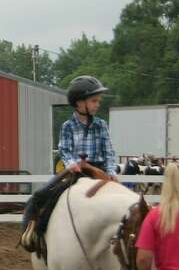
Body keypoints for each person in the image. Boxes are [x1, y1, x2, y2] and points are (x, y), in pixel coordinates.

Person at [20, 75, 118, 250]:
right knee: (40, 196)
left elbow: (109, 151)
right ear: (79, 103)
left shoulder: (101, 125)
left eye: (98, 101)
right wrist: (71, 163)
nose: (98, 104)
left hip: (99, 170)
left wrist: (111, 171)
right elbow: (64, 149)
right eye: (94, 101)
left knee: (126, 198)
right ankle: (31, 232)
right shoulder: (68, 126)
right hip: (77, 171)